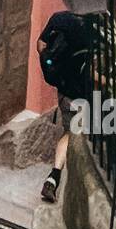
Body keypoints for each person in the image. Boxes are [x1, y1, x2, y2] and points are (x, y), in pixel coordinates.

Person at [36, 11, 89, 204]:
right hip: (86, 93)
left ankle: (54, 176)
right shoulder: (97, 26)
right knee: (82, 135)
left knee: (68, 133)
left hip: (65, 90)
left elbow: (41, 44)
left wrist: (49, 65)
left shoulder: (60, 19)